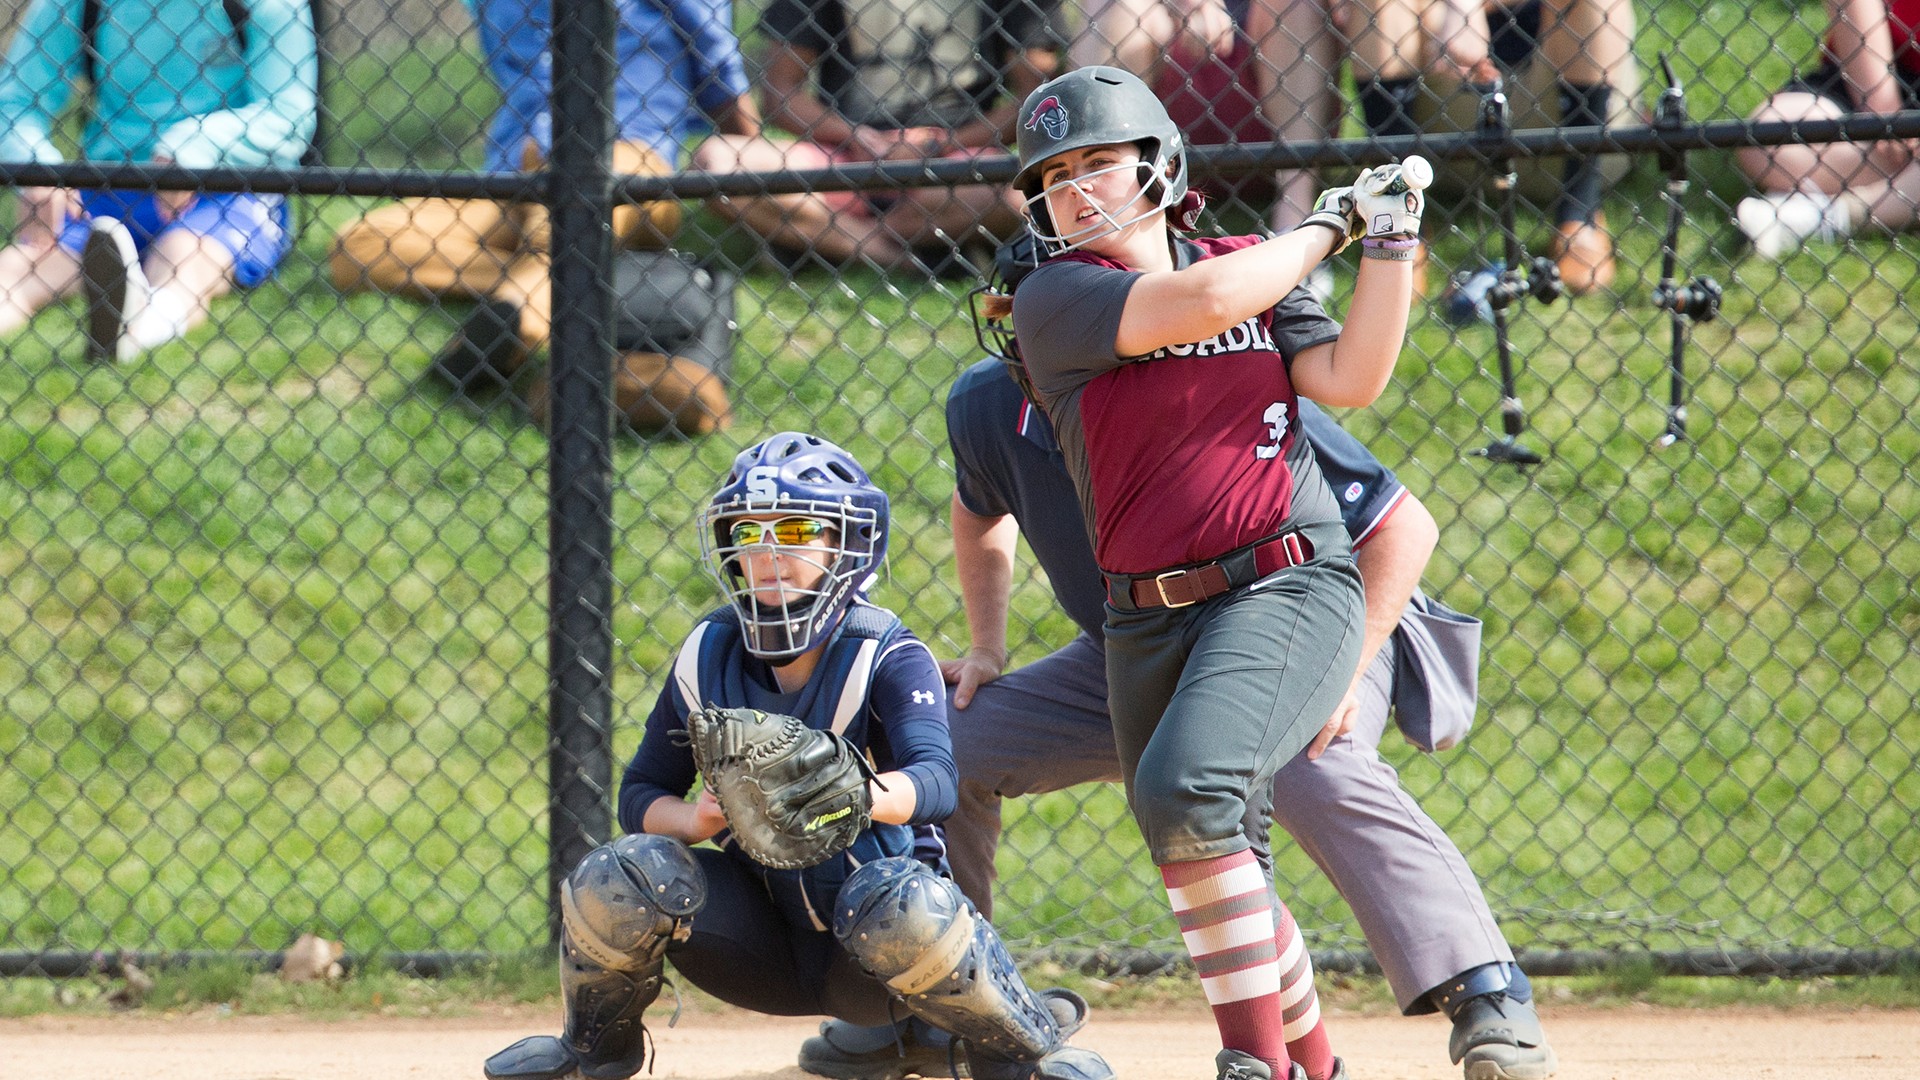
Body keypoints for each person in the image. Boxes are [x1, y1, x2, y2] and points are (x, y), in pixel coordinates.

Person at [999, 64, 1422, 1080]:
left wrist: (1393, 243)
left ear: (1160, 166)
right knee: (1199, 846)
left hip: (1286, 580)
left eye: (1101, 161)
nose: (1079, 190)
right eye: (1056, 177)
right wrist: (1331, 226)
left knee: (1189, 795)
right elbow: (1200, 300)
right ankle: (1314, 1065)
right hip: (1145, 616)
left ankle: (1250, 1064)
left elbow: (1352, 379)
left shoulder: (1249, 260)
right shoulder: (1055, 296)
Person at [483, 432, 1114, 1080]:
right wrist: (692, 822)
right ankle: (592, 1052)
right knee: (622, 874)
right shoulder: (707, 655)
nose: (769, 553)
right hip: (756, 944)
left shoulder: (885, 653)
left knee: (902, 899)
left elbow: (937, 781)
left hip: (874, 958)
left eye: (795, 528)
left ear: (847, 542)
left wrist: (856, 792)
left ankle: (1023, 1049)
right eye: (748, 532)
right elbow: (639, 793)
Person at [329, 0, 758, 438]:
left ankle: (523, 317)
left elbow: (719, 65)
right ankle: (532, 297)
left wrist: (754, 160)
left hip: (629, 166)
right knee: (358, 245)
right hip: (515, 177)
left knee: (580, 203)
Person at [0, 0, 318, 363]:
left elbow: (290, 115)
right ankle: (125, 296)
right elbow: (15, 102)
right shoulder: (69, 4)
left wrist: (189, 150)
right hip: (108, 187)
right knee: (16, 268)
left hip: (228, 187)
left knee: (186, 257)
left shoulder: (269, 4)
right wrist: (37, 171)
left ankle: (133, 331)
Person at [687, 0, 1067, 272]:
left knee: (1024, 191)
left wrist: (942, 143)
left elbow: (1038, 98)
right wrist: (858, 138)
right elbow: (780, 93)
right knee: (715, 164)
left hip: (958, 162)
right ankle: (902, 256)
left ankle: (815, 242)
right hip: (841, 157)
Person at [1338, 0, 1639, 294]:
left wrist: (1465, 6)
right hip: (1441, 102)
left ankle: (1580, 218)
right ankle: (1400, 225)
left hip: (1564, 120)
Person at [1733, 0, 1920, 258]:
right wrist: (1885, 116)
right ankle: (1905, 191)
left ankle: (1830, 215)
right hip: (1877, 66)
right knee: (1766, 139)